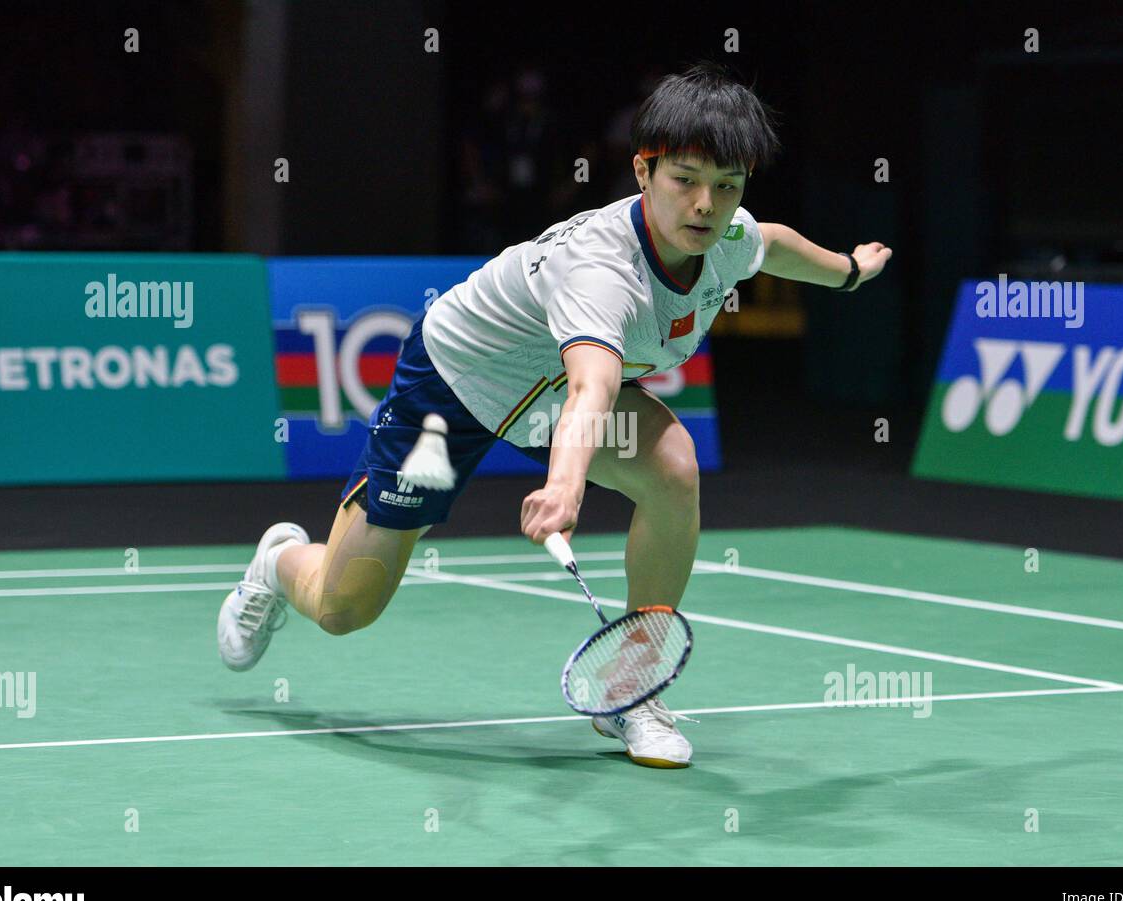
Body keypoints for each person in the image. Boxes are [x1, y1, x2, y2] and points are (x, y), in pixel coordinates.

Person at [217, 61, 892, 769]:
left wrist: (847, 269)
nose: (705, 204)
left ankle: (635, 688)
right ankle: (277, 562)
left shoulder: (724, 235)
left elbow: (771, 244)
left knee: (672, 466)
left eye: (726, 186)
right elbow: (593, 387)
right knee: (344, 608)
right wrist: (568, 487)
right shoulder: (602, 269)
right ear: (642, 170)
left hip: (544, 398)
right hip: (456, 383)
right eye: (685, 181)